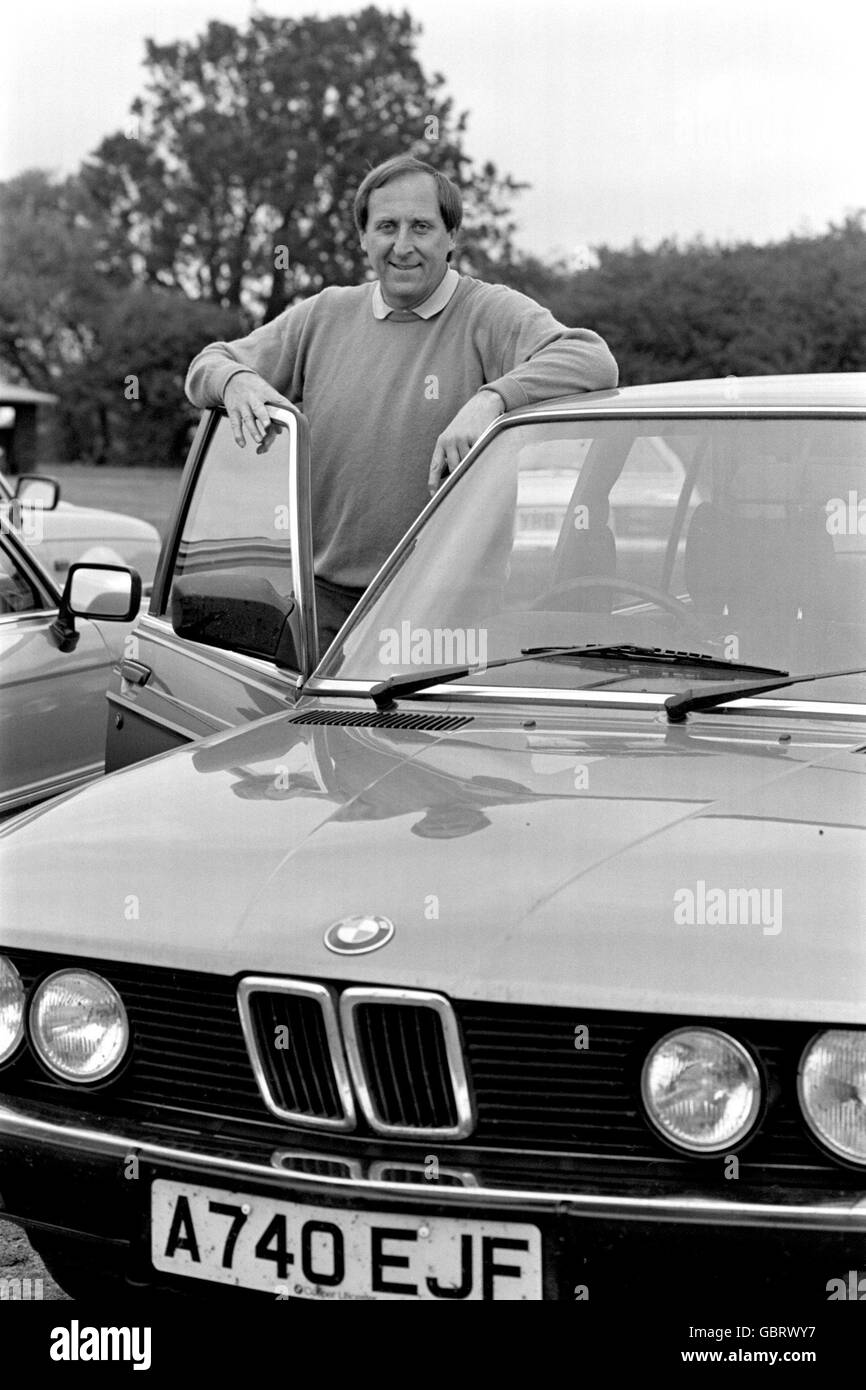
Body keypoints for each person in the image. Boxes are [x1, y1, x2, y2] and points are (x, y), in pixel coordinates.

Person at [185, 155, 618, 650]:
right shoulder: (324, 315)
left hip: (450, 615)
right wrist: (237, 380)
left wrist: (492, 399)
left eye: (422, 227)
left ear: (450, 237)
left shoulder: (488, 311)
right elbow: (206, 365)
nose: (403, 245)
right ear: (364, 238)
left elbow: (592, 358)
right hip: (322, 608)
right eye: (387, 226)